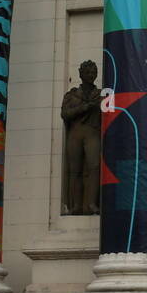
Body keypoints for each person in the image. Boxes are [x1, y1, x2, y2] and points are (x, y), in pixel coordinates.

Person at [61, 60, 101, 214]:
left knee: (94, 166)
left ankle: (91, 203)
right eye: (87, 72)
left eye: (93, 73)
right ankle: (76, 205)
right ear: (80, 74)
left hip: (92, 132)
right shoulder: (71, 95)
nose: (90, 75)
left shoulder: (100, 95)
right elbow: (65, 114)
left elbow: (110, 115)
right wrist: (83, 108)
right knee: (74, 170)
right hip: (75, 133)